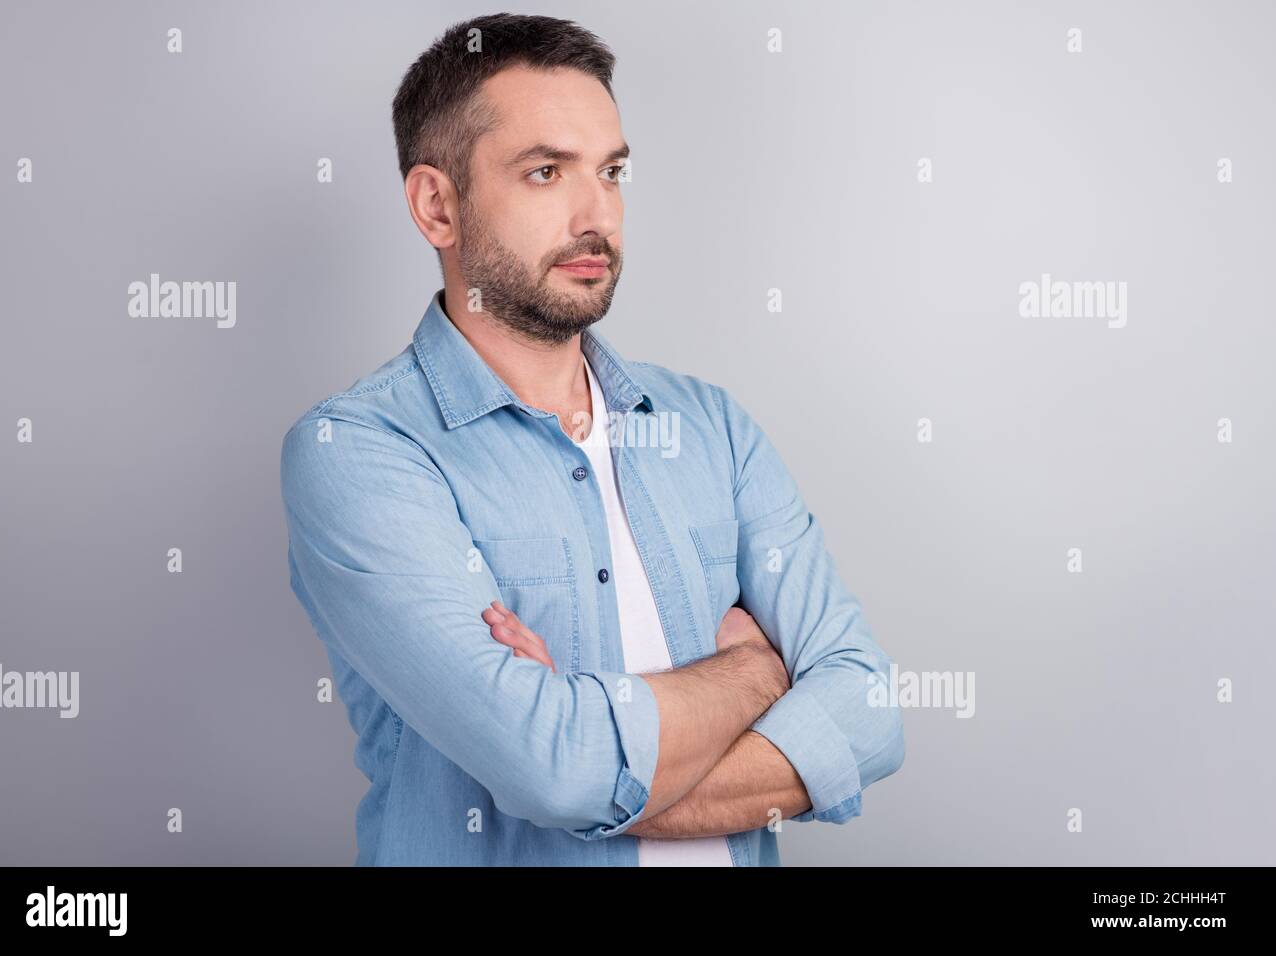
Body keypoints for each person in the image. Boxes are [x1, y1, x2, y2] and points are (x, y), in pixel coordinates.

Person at [280, 12, 904, 866]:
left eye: (612, 172)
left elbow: (867, 708)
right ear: (437, 205)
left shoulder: (711, 428)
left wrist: (598, 749)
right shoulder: (358, 453)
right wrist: (759, 673)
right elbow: (554, 771)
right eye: (545, 172)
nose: (596, 214)